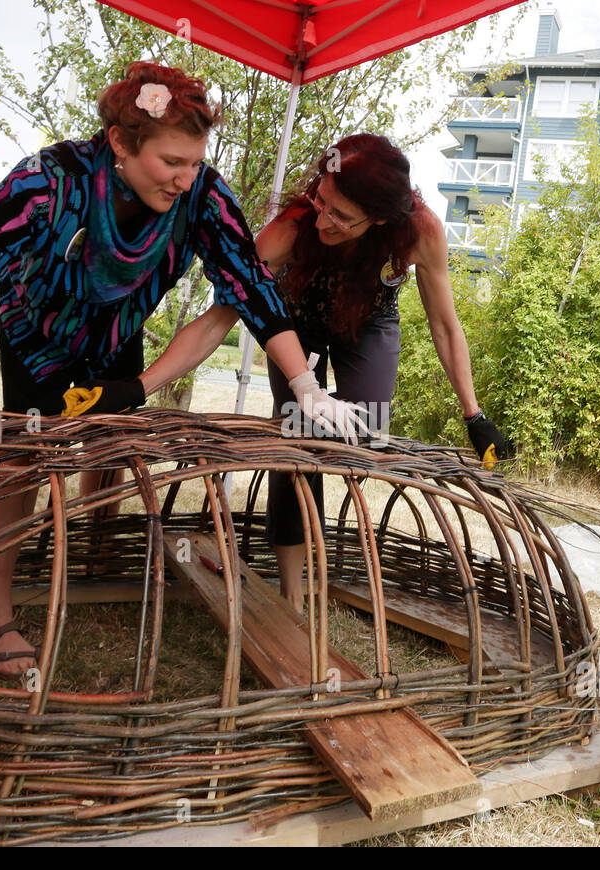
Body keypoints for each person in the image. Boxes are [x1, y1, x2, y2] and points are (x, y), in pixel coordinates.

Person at [0, 62, 365, 678]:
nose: (186, 178)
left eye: (195, 161)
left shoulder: (204, 197)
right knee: (22, 459)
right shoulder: (47, 182)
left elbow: (251, 288)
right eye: (171, 163)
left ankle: (91, 557)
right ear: (121, 144)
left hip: (116, 335)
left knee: (108, 444)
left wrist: (306, 387)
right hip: (38, 335)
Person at [147, 134, 508, 610]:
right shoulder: (293, 227)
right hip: (297, 319)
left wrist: (473, 415)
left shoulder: (420, 231)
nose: (322, 219)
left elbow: (444, 325)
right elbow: (221, 316)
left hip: (370, 320)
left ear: (380, 217)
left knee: (368, 423)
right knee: (297, 435)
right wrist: (143, 384)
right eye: (320, 200)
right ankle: (293, 591)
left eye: (340, 215)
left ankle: (315, 503)